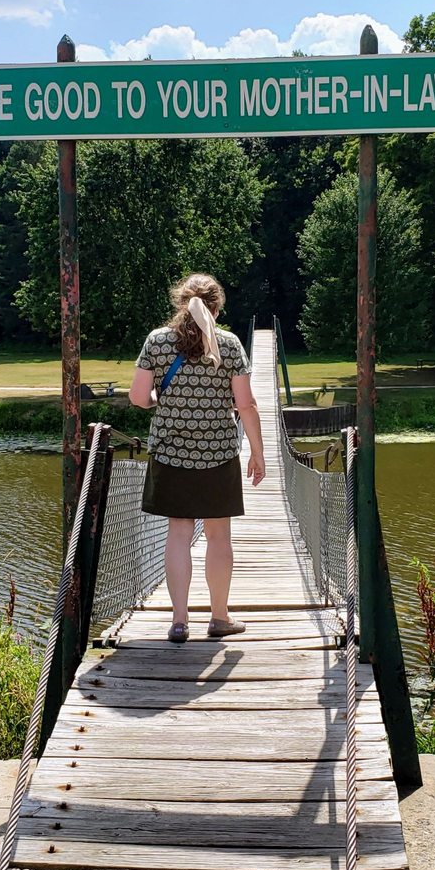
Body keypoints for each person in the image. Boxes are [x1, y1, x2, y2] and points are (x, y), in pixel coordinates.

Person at [129, 273, 265, 643]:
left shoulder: (157, 341)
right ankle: (219, 618)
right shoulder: (229, 344)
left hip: (170, 454)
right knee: (219, 537)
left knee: (179, 533)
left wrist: (160, 400)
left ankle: (179, 621)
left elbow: (139, 397)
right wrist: (257, 451)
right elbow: (246, 405)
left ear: (180, 303)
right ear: (217, 307)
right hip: (218, 454)